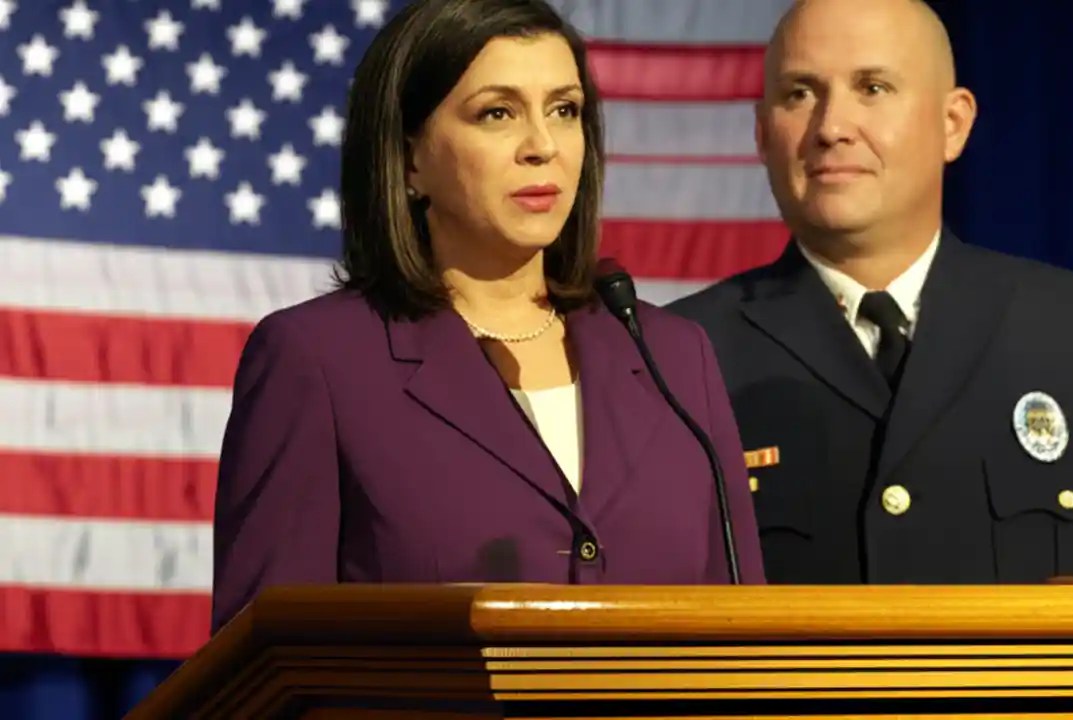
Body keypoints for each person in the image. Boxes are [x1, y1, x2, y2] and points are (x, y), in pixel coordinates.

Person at [210, 0, 764, 633]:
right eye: (497, 113)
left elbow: (741, 629)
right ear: (410, 158)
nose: (543, 146)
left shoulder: (673, 357)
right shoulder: (319, 361)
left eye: (565, 110)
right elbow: (262, 665)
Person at [668, 0, 1073, 585]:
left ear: (954, 124)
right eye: (799, 93)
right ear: (763, 134)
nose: (832, 126)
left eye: (872, 87)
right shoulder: (675, 361)